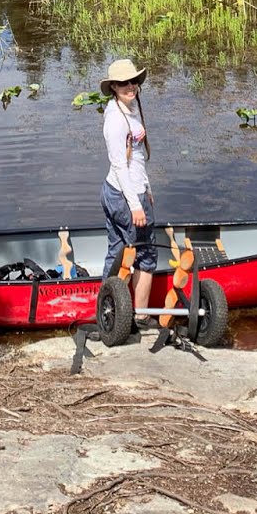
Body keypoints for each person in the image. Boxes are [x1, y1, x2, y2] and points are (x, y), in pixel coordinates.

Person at [99, 57, 155, 319]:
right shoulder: (116, 120)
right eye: (122, 83)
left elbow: (137, 158)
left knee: (117, 250)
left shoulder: (127, 109)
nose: (129, 86)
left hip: (122, 190)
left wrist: (147, 186)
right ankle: (141, 317)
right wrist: (135, 205)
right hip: (124, 195)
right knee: (145, 254)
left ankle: (108, 312)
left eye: (132, 81)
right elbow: (120, 165)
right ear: (113, 87)